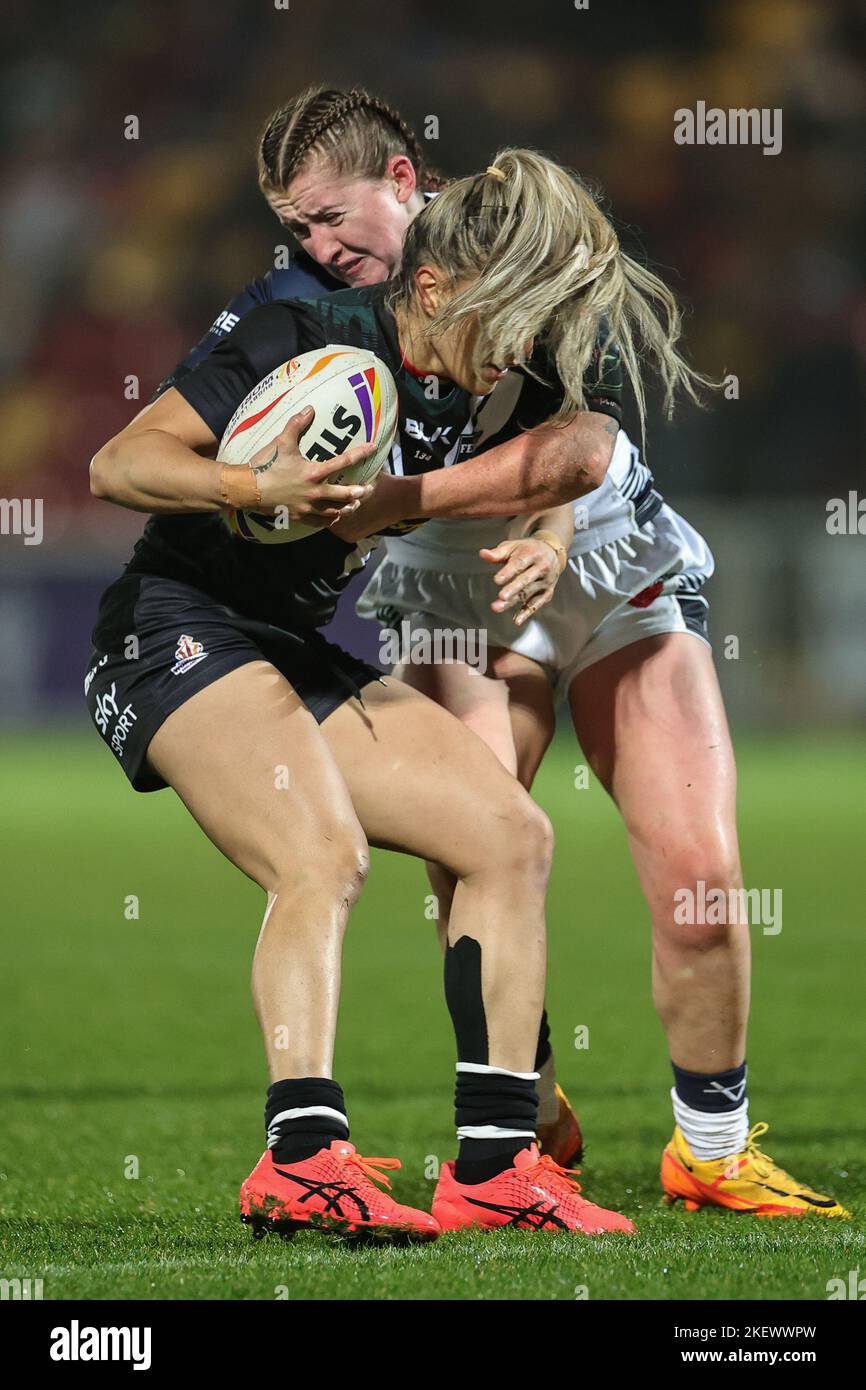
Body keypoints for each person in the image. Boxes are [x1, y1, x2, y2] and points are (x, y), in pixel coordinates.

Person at [201, 84, 845, 1220]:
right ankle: (525, 1112)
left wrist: (494, 518)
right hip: (442, 584)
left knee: (697, 880)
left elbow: (579, 439)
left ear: (403, 185)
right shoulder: (302, 304)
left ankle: (710, 1145)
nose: (311, 245)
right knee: (485, 845)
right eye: (294, 227)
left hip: (603, 559)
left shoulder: (511, 234)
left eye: (326, 217)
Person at [86, 145, 683, 1238]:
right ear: (432, 287)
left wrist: (546, 538)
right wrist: (245, 481)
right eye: (498, 316)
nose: (514, 345)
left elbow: (571, 453)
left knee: (509, 833)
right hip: (170, 630)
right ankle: (300, 1158)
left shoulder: (478, 369)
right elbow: (118, 464)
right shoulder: (309, 334)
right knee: (321, 853)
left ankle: (496, 1168)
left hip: (290, 646)